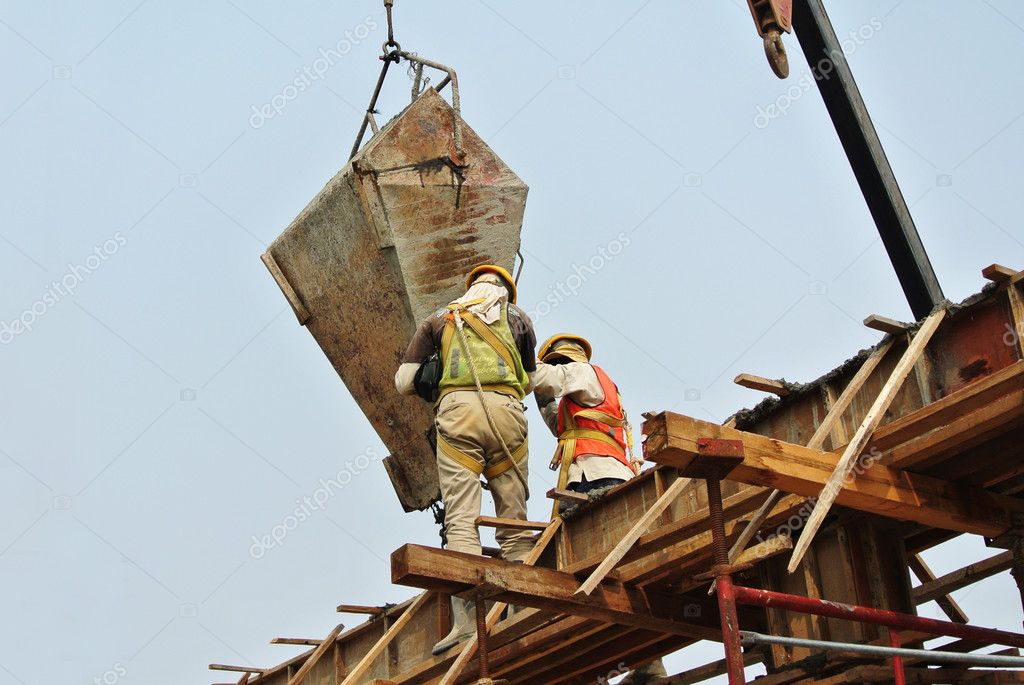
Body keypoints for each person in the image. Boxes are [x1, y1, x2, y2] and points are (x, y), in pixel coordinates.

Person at [395, 264, 537, 655]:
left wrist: (434, 373)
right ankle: (523, 611)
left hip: (458, 415)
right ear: (506, 290)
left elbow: (404, 383)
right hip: (508, 415)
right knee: (515, 524)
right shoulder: (519, 318)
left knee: (461, 521)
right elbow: (530, 379)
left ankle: (467, 626)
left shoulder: (440, 319)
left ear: (470, 286)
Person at [532, 334, 641, 502]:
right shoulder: (585, 393)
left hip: (597, 472)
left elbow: (541, 376)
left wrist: (521, 350)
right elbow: (559, 428)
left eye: (557, 363)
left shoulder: (583, 371)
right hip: (597, 472)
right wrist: (542, 396)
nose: (557, 367)